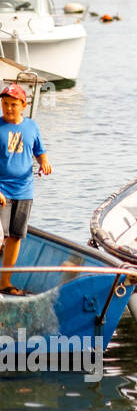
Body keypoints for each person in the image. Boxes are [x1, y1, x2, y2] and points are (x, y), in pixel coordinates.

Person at [0, 84, 53, 296]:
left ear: (24, 105)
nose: (8, 108)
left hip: (24, 190)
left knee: (14, 237)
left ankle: (5, 282)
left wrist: (44, 162)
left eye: (13, 104)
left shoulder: (31, 126)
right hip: (1, 190)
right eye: (4, 104)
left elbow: (39, 150)